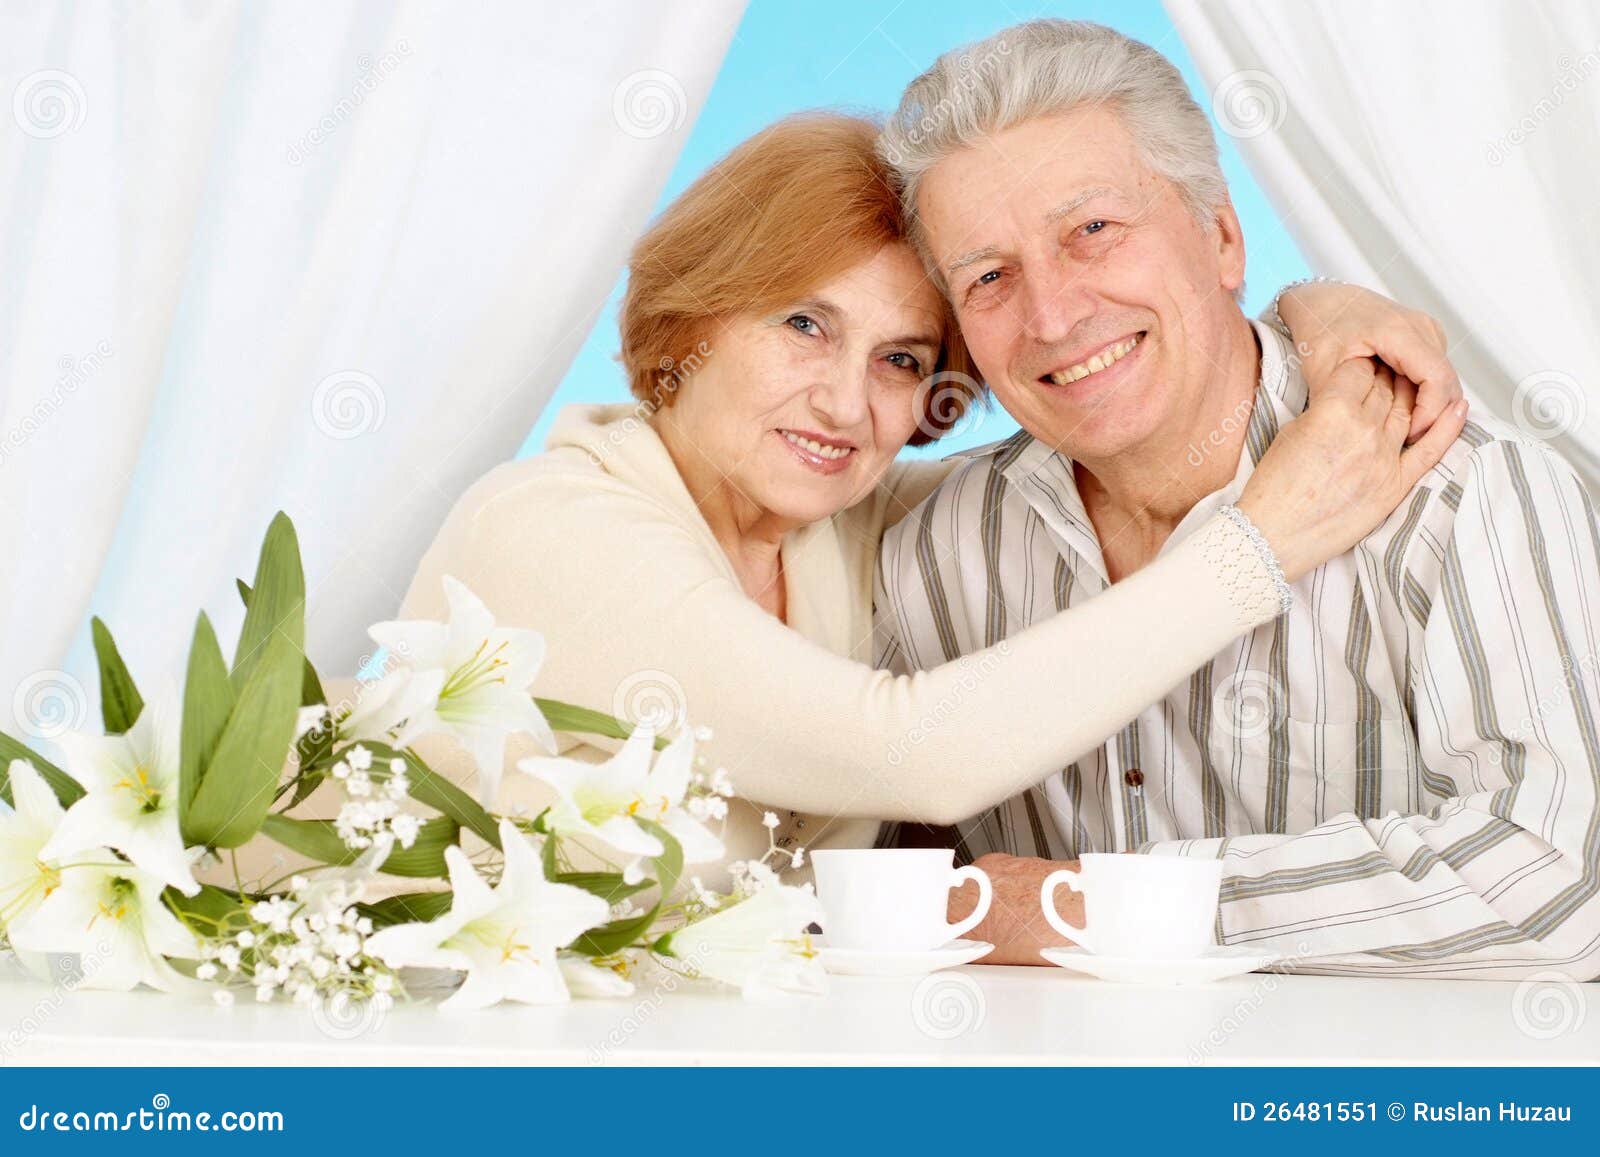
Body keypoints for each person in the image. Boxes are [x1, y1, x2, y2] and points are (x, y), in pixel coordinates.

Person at [395, 111, 1464, 888]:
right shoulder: (551, 526)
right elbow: (918, 753)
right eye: (803, 325)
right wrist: (1259, 544)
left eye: (901, 358)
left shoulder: (847, 525)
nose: (845, 401)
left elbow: (1123, 455)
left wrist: (1314, 314)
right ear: (692, 317)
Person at [875, 19, 1600, 980]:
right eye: (990, 276)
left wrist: (1092, 906)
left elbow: (1558, 891)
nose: (1051, 315)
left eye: (1093, 230)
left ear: (1222, 237)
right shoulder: (933, 557)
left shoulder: (1466, 495)